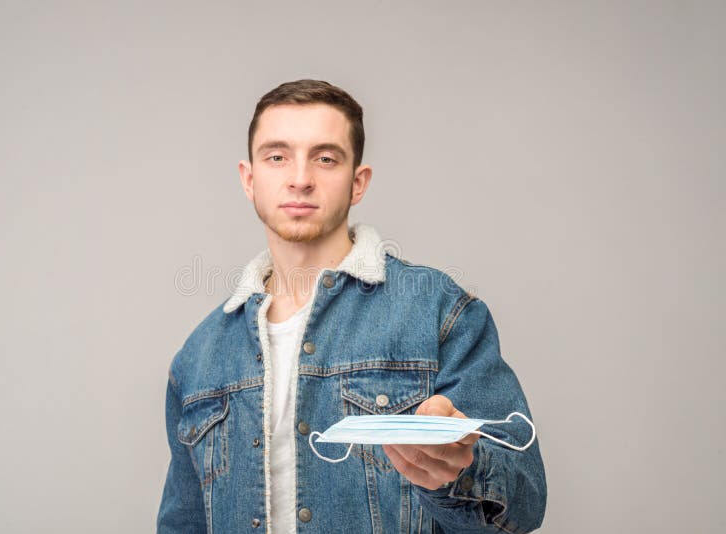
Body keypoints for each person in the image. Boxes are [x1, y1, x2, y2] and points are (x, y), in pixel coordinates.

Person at [157, 79, 547, 533]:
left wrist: (461, 470)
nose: (300, 178)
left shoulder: (438, 312)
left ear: (357, 183)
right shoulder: (199, 357)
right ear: (249, 178)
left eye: (325, 158)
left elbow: (525, 504)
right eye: (277, 156)